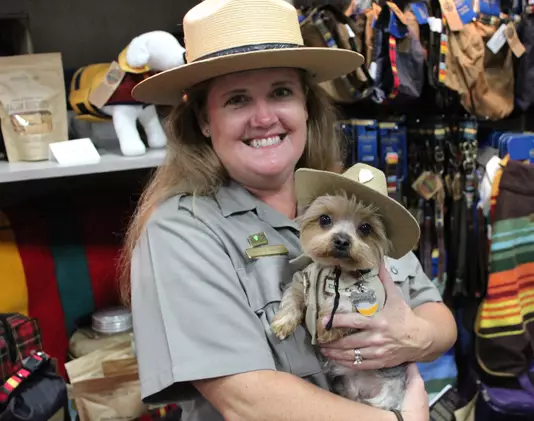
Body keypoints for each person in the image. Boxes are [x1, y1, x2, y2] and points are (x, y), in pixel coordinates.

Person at [118, 0, 458, 420]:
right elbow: (246, 399)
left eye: (281, 92)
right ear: (205, 121)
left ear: (305, 107)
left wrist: (411, 335)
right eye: (237, 100)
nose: (264, 118)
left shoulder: (349, 202)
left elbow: (438, 316)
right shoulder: (180, 232)